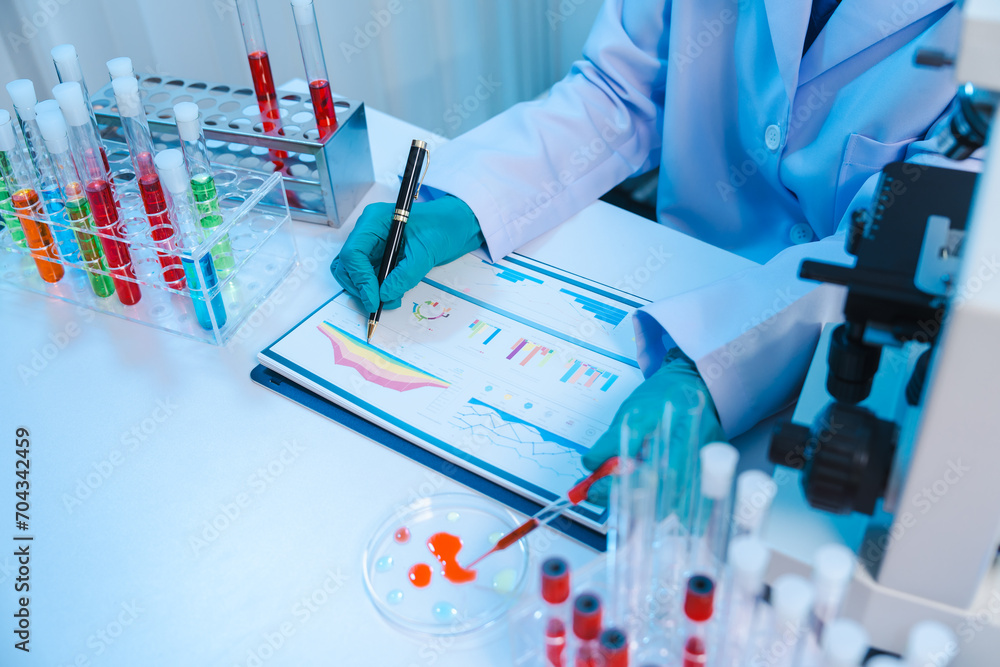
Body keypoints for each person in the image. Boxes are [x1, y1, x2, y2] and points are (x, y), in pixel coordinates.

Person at [331, 0, 965, 499]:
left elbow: (893, 245)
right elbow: (618, 90)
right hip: (664, 280)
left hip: (834, 359)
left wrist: (713, 370)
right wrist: (468, 202)